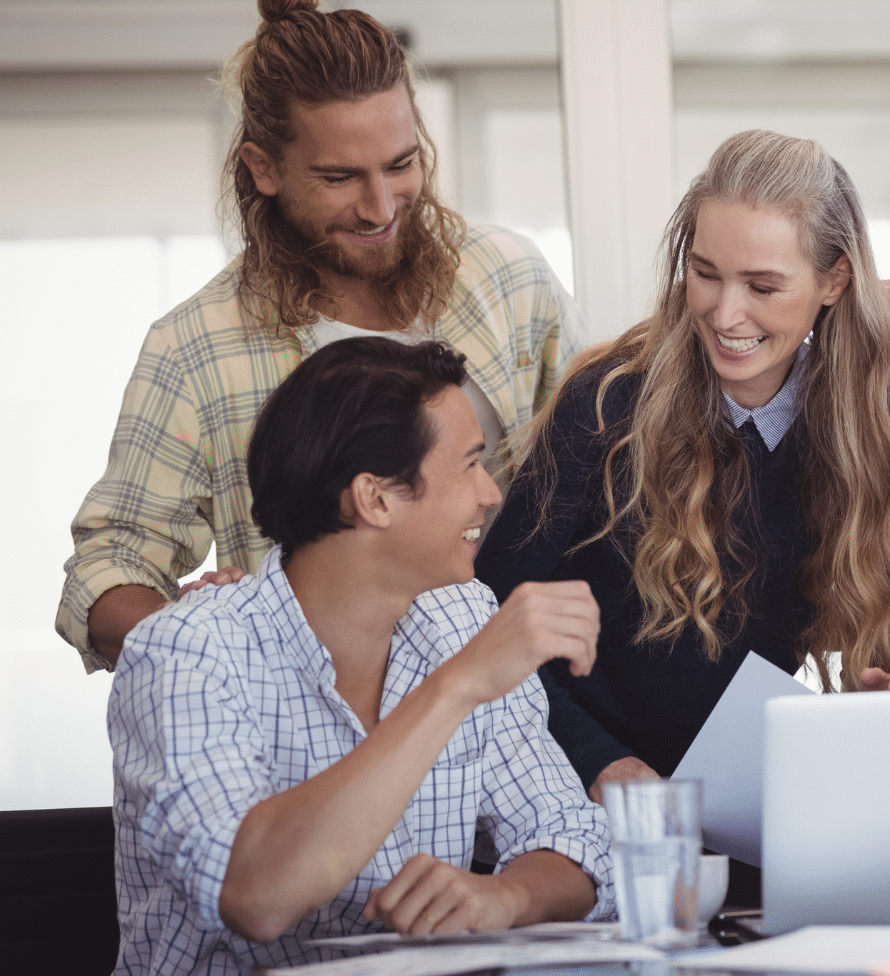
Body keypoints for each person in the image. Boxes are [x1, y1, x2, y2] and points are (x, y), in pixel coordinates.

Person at [59, 0, 579, 672]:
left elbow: (604, 480)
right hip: (318, 720)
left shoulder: (511, 280)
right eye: (339, 178)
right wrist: (212, 639)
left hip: (519, 703)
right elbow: (105, 570)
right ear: (263, 168)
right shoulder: (194, 348)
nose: (380, 208)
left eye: (401, 164)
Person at [110, 337, 610, 976]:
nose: (490, 494)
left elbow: (576, 837)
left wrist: (505, 896)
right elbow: (255, 897)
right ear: (374, 499)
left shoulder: (462, 616)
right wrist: (457, 685)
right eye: (469, 466)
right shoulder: (184, 653)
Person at [477, 129, 890, 807]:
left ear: (834, 280)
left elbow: (870, 644)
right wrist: (598, 761)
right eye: (705, 273)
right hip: (593, 814)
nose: (725, 314)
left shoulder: (865, 420)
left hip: (757, 817)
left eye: (762, 285)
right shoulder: (604, 405)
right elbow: (483, 623)